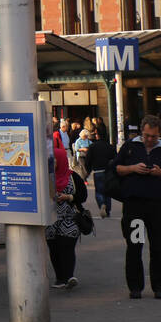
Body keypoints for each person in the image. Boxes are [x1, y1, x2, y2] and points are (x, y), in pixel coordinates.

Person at [113, 114, 161, 299]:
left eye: (154, 136)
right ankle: (135, 287)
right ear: (142, 132)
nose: (149, 139)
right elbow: (116, 168)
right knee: (135, 245)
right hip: (134, 206)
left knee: (158, 246)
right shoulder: (130, 147)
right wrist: (132, 168)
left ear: (160, 134)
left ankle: (159, 287)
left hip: (157, 206)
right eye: (147, 135)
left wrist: (160, 173)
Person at [47, 132, 81, 290]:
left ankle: (69, 276)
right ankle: (60, 278)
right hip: (51, 220)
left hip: (69, 219)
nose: (52, 164)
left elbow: (82, 195)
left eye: (54, 161)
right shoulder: (44, 177)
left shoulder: (72, 176)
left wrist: (68, 197)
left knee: (66, 247)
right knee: (54, 250)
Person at [87, 121, 116, 218]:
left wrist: (88, 171)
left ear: (97, 135)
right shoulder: (109, 146)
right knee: (108, 191)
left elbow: (88, 160)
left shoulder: (93, 146)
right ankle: (107, 210)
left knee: (99, 191)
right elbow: (115, 159)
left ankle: (101, 204)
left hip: (97, 171)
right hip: (108, 171)